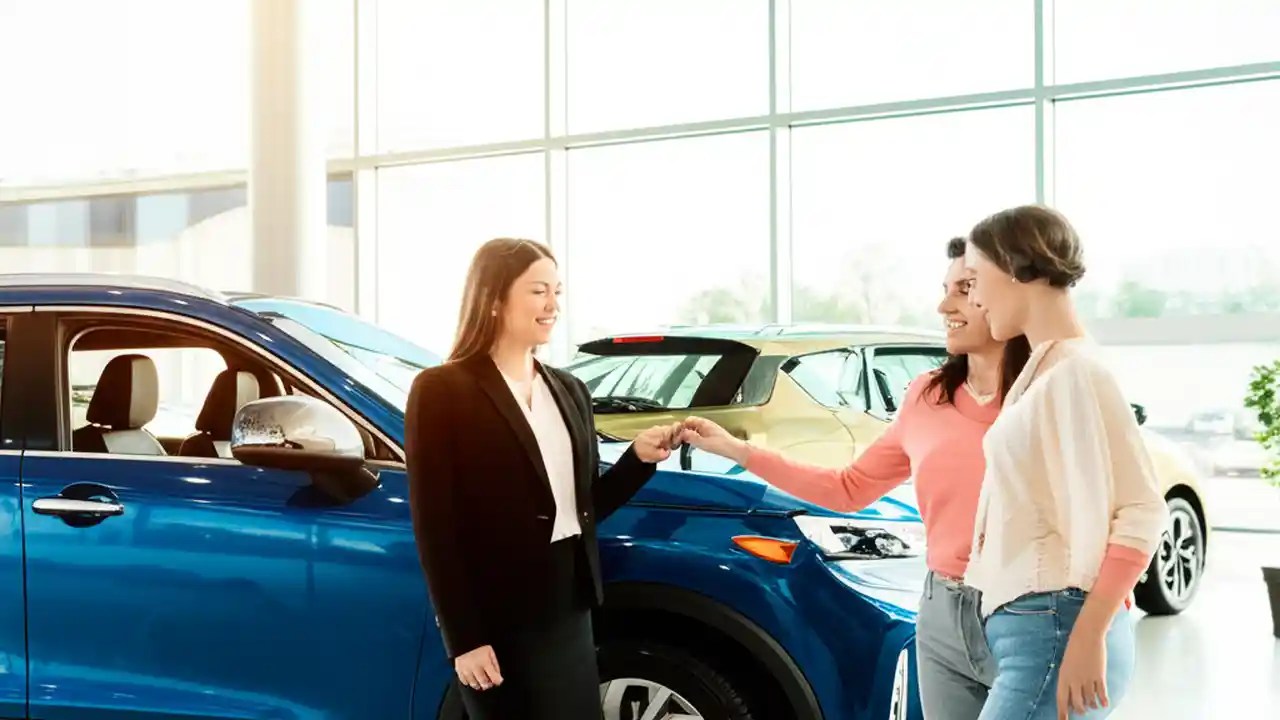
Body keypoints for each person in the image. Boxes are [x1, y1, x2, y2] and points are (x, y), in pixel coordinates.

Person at [680, 236, 1031, 719]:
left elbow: (1116, 517)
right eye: (945, 288)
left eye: (965, 288)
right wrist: (737, 450)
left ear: (1006, 293)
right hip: (943, 609)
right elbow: (849, 488)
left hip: (1029, 609)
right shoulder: (926, 396)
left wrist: (1095, 625)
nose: (944, 304)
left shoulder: (1048, 396)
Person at [405, 237, 681, 720]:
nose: (553, 304)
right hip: (496, 616)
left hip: (567, 607)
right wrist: (464, 639)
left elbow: (582, 507)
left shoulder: (570, 389)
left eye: (558, 291)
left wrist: (638, 460)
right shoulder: (441, 390)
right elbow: (435, 528)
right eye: (538, 291)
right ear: (493, 299)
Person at [961, 205, 1166, 720]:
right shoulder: (1045, 369)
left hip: (1056, 629)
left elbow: (1142, 510)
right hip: (1040, 630)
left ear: (1015, 268)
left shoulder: (1076, 372)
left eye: (976, 279)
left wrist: (1087, 635)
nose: (977, 299)